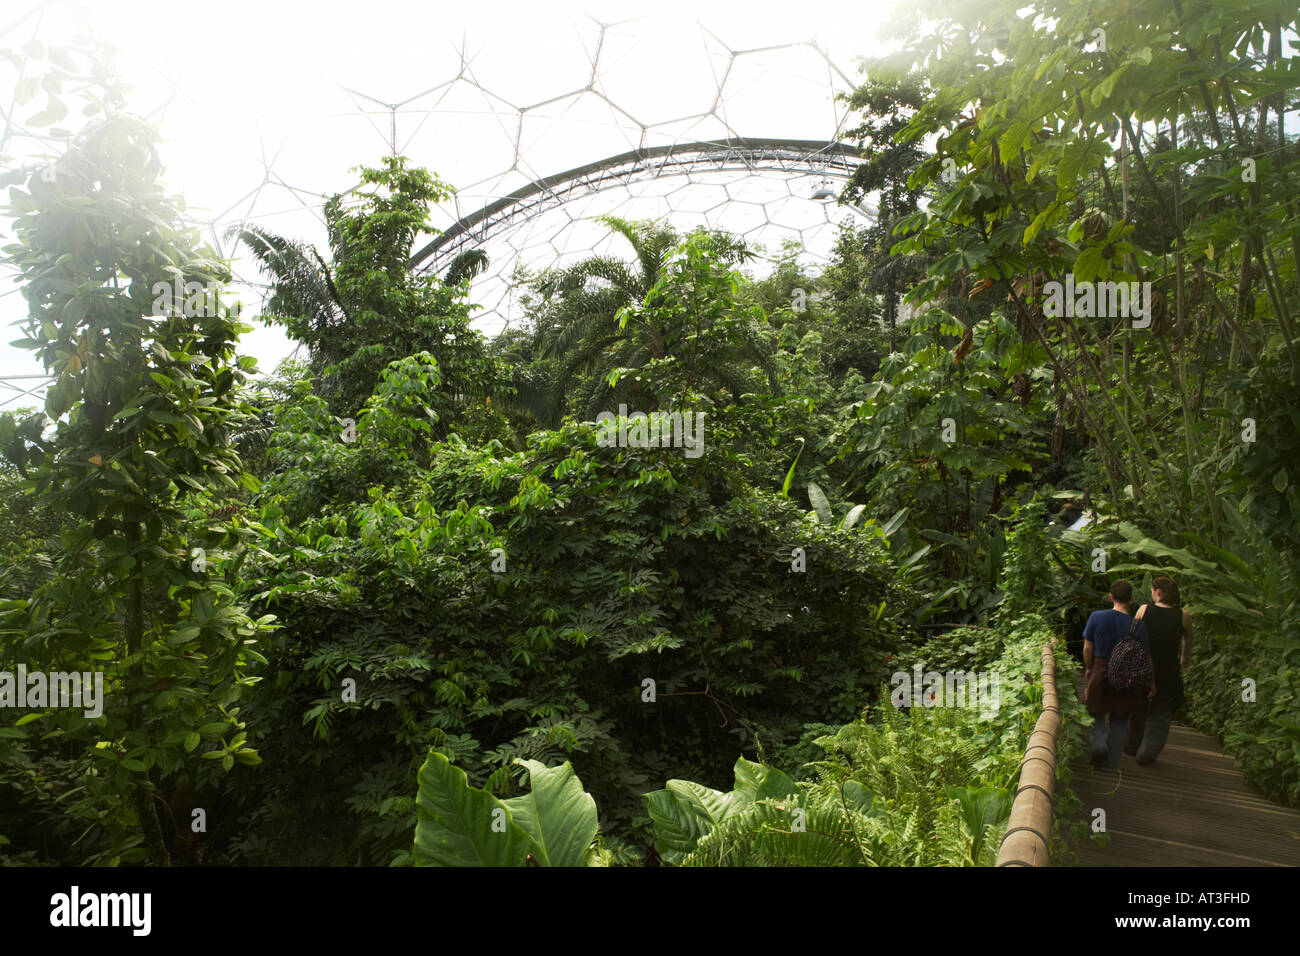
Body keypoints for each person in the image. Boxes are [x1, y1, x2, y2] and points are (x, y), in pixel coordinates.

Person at [1082, 580, 1152, 769]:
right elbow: (1146, 656)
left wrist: (1088, 668)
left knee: (1095, 711)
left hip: (1101, 668)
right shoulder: (1138, 626)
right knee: (1120, 719)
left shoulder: (1097, 617)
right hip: (1127, 677)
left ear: (1111, 597)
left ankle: (1099, 744)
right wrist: (1151, 682)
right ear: (1132, 598)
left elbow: (1088, 647)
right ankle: (1111, 763)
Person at [1125, 575, 1191, 765]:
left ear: (1159, 592)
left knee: (1138, 705)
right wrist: (1184, 656)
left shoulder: (1144, 609)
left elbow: (1132, 637)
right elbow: (1188, 641)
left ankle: (1132, 747)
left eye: (1153, 591)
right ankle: (1148, 751)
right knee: (1161, 710)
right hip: (1168, 668)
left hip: (1142, 665)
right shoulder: (1184, 615)